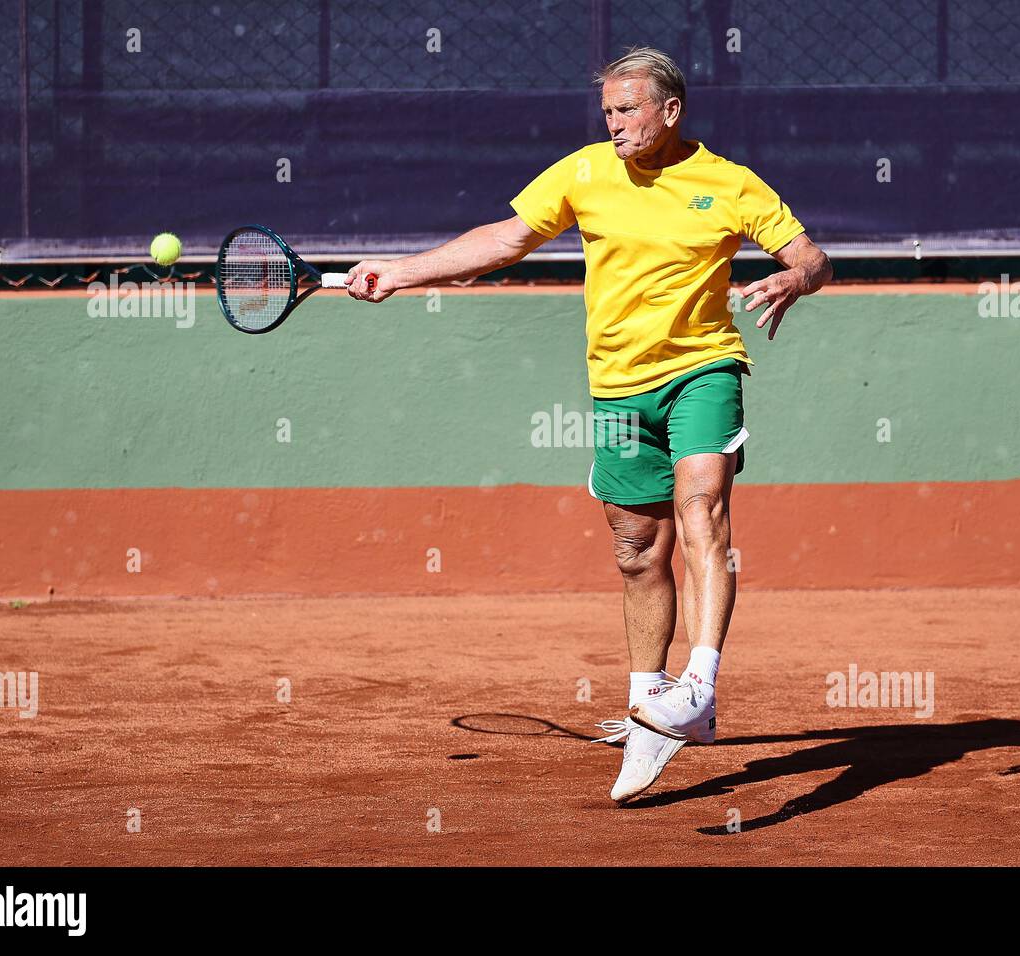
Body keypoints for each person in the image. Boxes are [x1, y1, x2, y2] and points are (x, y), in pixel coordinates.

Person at [345, 46, 831, 803]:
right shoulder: (582, 174)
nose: (615, 124)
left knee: (701, 509)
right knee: (636, 547)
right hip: (615, 392)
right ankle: (651, 710)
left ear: (670, 111)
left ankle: (698, 685)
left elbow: (811, 254)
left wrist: (797, 275)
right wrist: (401, 272)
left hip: (703, 370)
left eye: (628, 109)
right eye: (607, 111)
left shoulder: (729, 183)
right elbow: (504, 239)